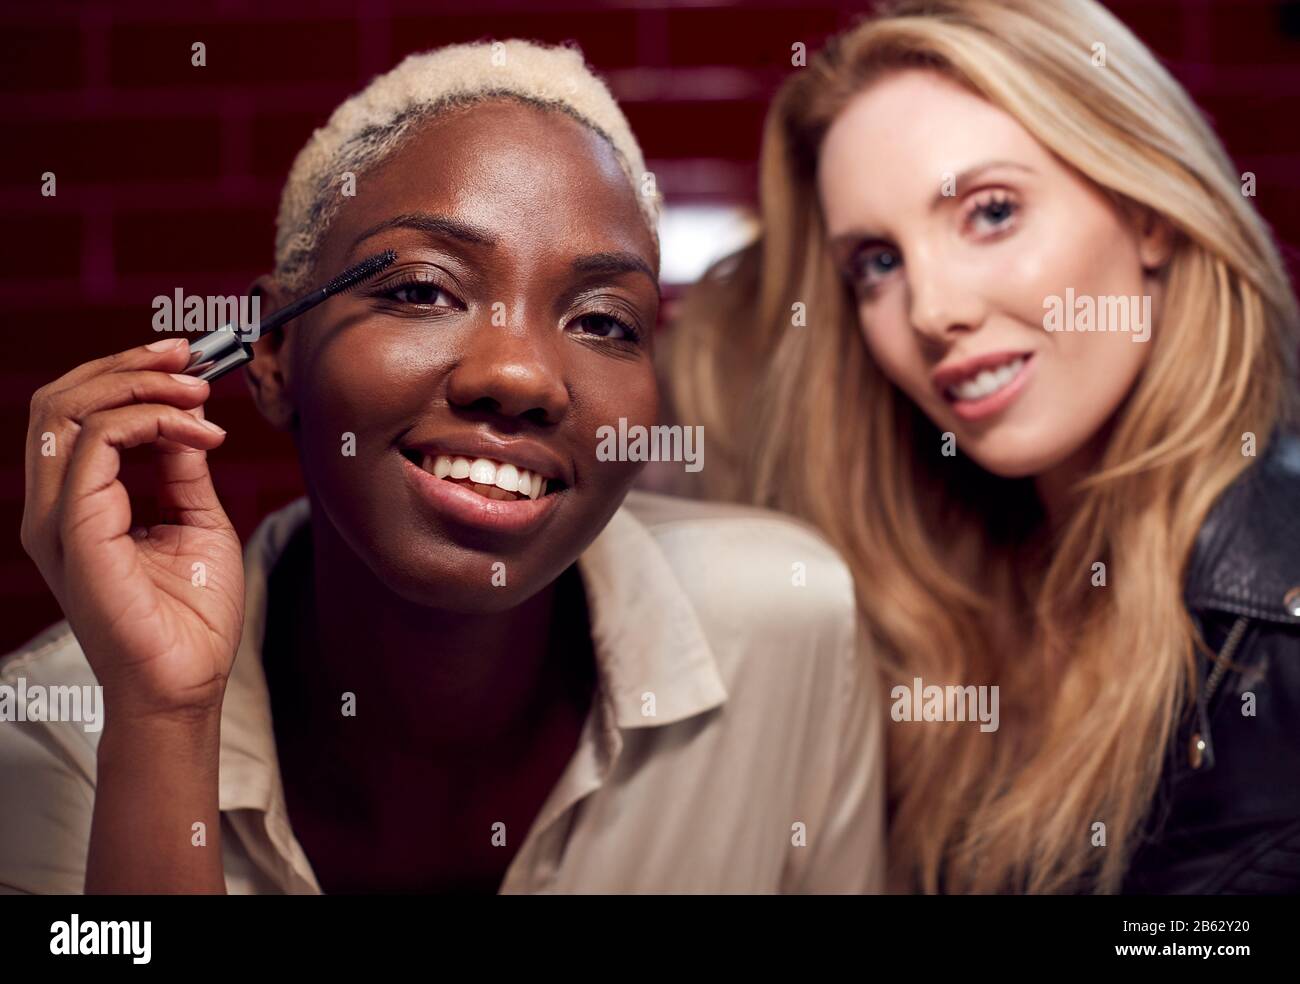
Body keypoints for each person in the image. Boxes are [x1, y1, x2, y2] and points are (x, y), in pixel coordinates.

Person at [2, 40, 884, 894]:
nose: (520, 376)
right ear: (271, 351)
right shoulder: (46, 736)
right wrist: (160, 723)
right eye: (424, 290)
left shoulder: (788, 628)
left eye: (606, 321)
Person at [665, 0, 1300, 893]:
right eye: (877, 264)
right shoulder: (967, 600)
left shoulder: (1271, 627)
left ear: (1149, 209)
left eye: (991, 212)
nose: (931, 310)